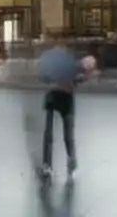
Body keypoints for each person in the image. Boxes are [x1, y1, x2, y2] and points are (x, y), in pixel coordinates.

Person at [37, 40, 82, 180]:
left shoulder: (48, 58)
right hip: (67, 96)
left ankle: (46, 165)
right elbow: (76, 77)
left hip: (52, 94)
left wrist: (51, 79)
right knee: (68, 133)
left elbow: (42, 77)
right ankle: (71, 162)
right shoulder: (69, 58)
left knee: (48, 133)